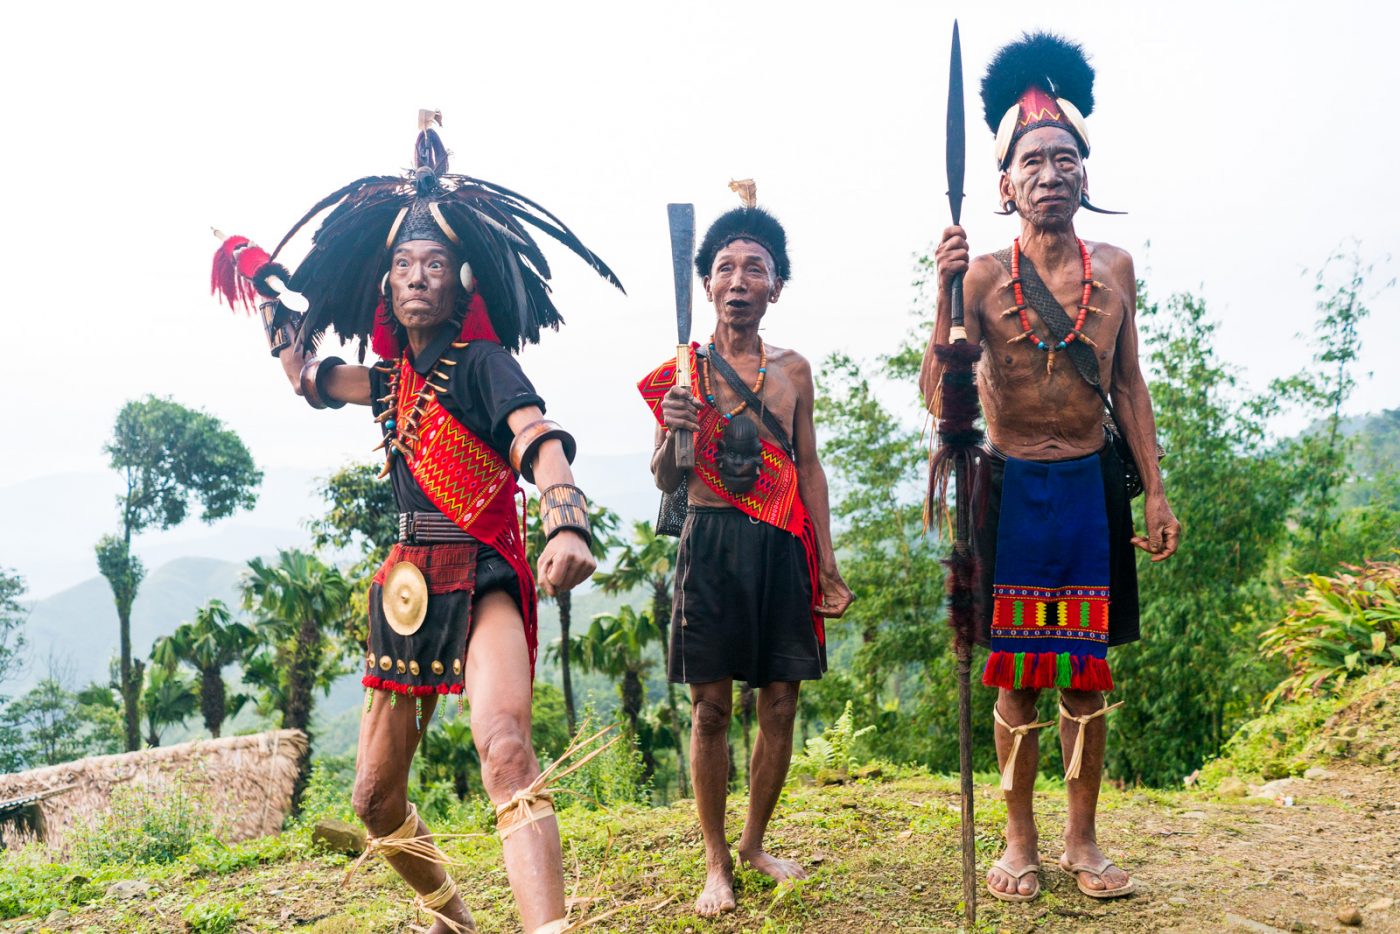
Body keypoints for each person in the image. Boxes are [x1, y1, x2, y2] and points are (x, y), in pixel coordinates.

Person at [211, 112, 624, 934]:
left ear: (463, 280)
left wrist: (564, 513)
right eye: (404, 266)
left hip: (485, 576)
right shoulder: (392, 379)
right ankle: (455, 921)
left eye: (435, 264)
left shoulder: (484, 365)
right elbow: (311, 378)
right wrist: (267, 298)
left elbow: (535, 436)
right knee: (373, 798)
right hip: (407, 586)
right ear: (387, 286)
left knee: (504, 746)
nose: (417, 278)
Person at [919, 35, 1180, 903]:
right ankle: (1019, 842)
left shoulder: (1117, 270)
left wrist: (1156, 490)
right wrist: (942, 295)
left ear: (1085, 175)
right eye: (1034, 160)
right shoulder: (984, 274)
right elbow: (938, 396)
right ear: (1004, 185)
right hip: (1009, 489)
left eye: (1066, 158)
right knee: (1017, 675)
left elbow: (1130, 384)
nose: (1052, 172)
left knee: (1085, 669)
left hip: (1090, 488)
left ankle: (1083, 841)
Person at [639, 184, 853, 917]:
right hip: (710, 543)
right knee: (709, 711)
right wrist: (675, 432)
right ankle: (715, 861)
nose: (739, 281)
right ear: (706, 286)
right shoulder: (683, 372)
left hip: (780, 545)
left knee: (782, 703)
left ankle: (756, 842)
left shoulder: (793, 371)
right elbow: (666, 478)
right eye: (725, 267)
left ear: (776, 287)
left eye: (754, 267)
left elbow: (808, 466)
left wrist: (825, 560)